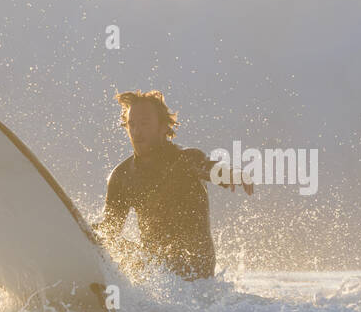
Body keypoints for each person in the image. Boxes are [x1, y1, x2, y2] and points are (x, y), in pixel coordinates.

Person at [94, 90, 252, 279]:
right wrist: (80, 232)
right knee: (108, 241)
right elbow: (110, 230)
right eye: (132, 124)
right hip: (157, 275)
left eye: (144, 124)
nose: (136, 131)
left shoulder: (186, 159)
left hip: (196, 278)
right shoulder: (122, 176)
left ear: (163, 127)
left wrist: (229, 173)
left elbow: (207, 167)